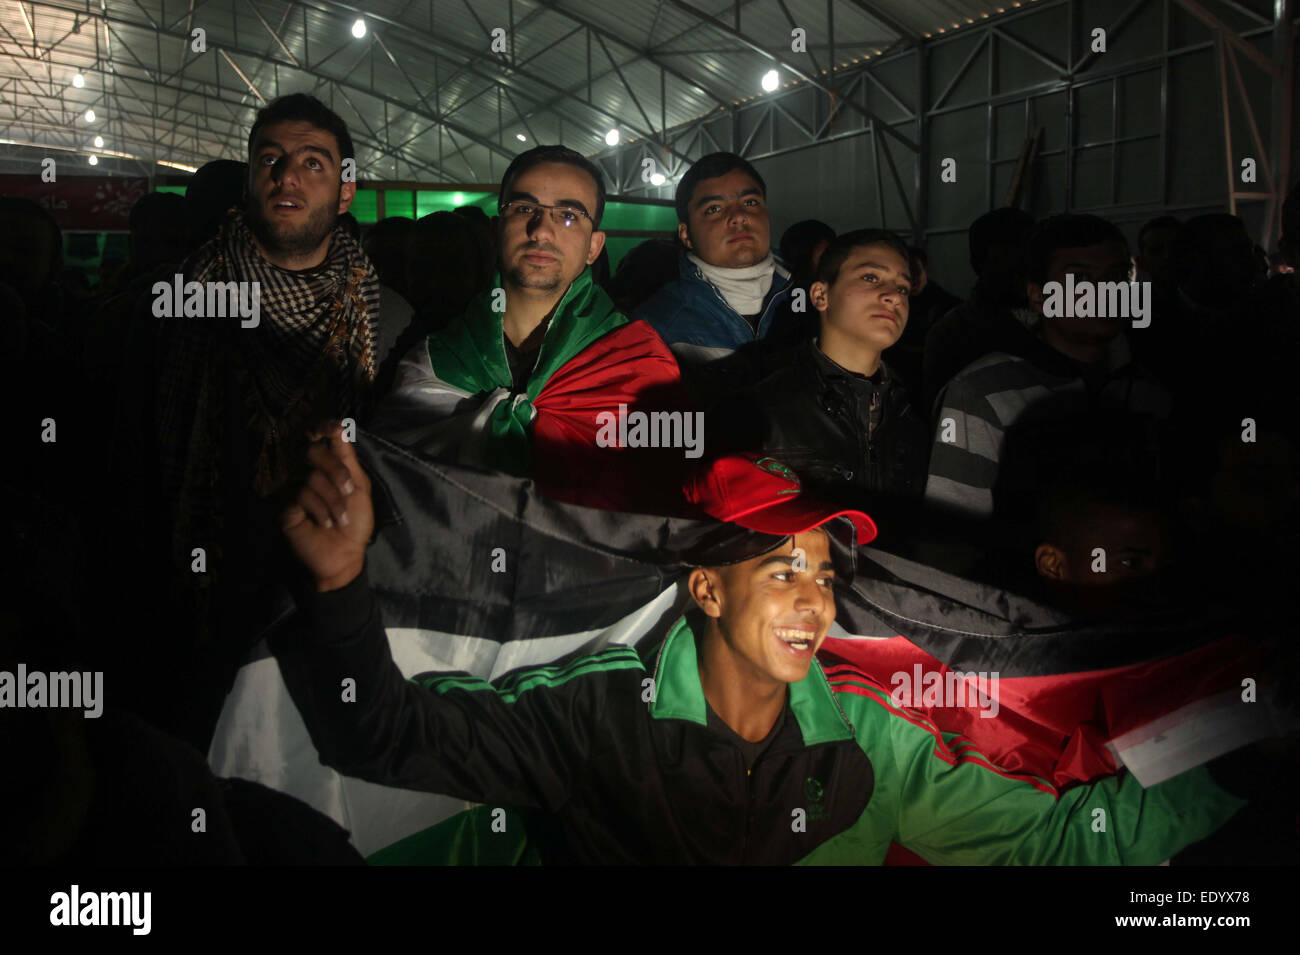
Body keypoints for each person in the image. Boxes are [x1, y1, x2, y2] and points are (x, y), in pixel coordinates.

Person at [272, 428, 1249, 864]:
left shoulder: (873, 738)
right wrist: (338, 585)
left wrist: (1239, 754)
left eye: (825, 573)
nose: (813, 599)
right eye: (781, 571)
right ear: (704, 586)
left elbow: (1047, 845)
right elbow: (377, 738)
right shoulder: (594, 714)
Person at [140, 93, 413, 746]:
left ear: (346, 192)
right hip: (189, 616)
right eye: (272, 159)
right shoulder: (171, 308)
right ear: (249, 180)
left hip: (326, 612)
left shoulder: (391, 321)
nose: (287, 176)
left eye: (313, 163)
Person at [379, 144, 686, 512]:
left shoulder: (641, 364)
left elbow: (664, 508)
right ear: (496, 231)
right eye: (525, 209)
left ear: (594, 246)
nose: (541, 230)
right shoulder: (432, 360)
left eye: (569, 215)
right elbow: (392, 492)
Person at [925, 214, 1171, 524]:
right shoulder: (982, 393)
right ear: (1038, 295)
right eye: (1079, 279)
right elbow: (952, 528)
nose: (1104, 293)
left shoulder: (1149, 388)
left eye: (1117, 276)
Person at [708, 229, 929, 518]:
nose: (893, 296)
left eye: (902, 287)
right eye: (871, 278)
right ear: (821, 295)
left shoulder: (915, 412)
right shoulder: (759, 410)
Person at [633, 152, 804, 389]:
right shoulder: (653, 328)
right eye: (714, 209)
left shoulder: (815, 297)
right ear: (686, 235)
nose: (739, 217)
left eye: (750, 202)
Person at [921, 207, 1035, 411]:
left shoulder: (1062, 320)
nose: (1022, 263)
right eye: (1008, 251)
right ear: (980, 261)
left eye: (1029, 251)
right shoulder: (953, 333)